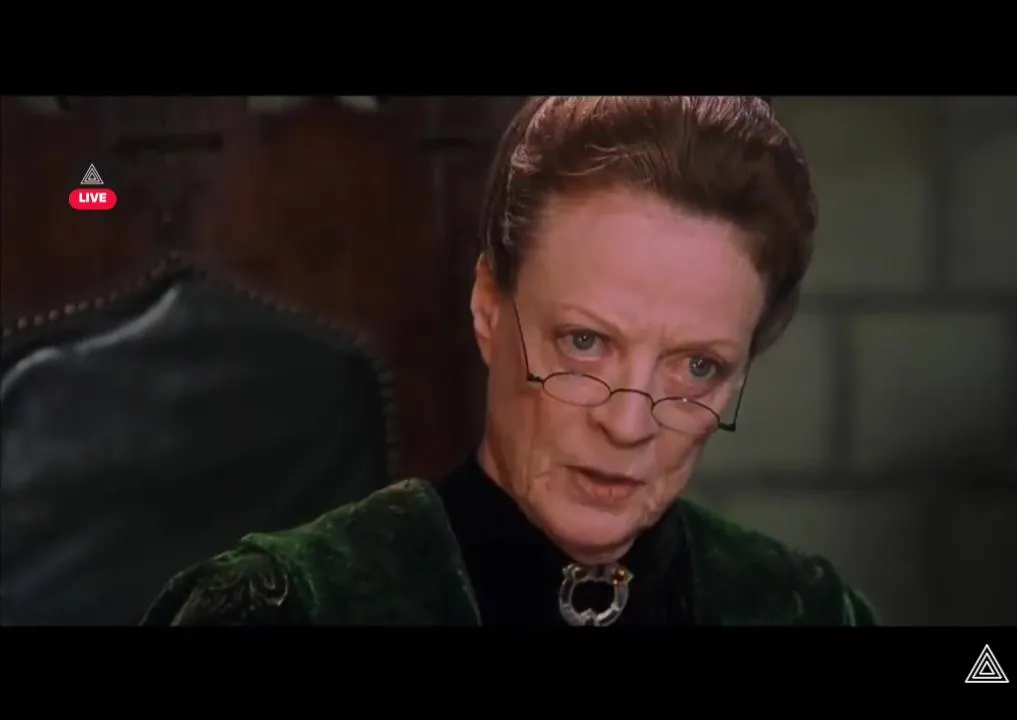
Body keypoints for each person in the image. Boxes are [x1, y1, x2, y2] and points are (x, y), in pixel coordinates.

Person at [140, 96, 877, 627]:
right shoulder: (288, 606)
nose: (628, 425)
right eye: (585, 343)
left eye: (697, 368)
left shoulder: (803, 609)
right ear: (489, 306)